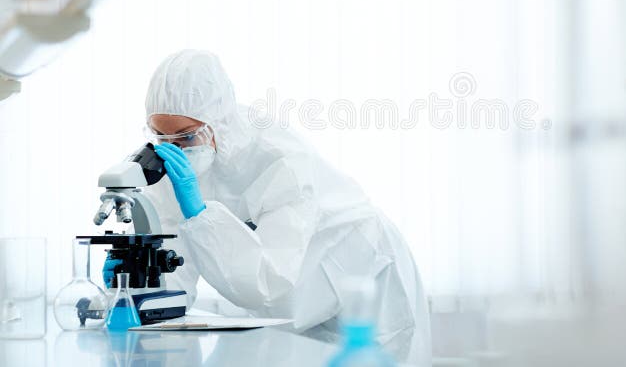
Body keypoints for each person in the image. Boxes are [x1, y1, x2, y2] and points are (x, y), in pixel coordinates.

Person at [107, 49, 430, 365]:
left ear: (217, 123)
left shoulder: (279, 158)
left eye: (186, 137)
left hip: (361, 269)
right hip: (293, 297)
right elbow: (175, 275)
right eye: (161, 136)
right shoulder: (172, 163)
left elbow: (267, 281)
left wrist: (201, 216)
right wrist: (135, 282)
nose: (173, 149)